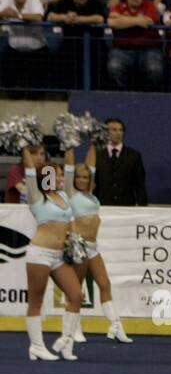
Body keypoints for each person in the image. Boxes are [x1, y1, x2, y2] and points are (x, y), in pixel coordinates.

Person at [17, 145, 82, 362]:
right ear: (46, 177)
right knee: (36, 301)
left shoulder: (64, 195)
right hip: (39, 254)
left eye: (62, 175)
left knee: (76, 296)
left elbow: (71, 166)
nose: (61, 178)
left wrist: (69, 146)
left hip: (59, 256)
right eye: (57, 175)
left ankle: (66, 341)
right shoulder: (37, 197)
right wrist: (24, 146)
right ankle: (36, 346)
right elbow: (28, 169)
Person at [64, 143, 133, 344]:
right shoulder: (70, 192)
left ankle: (115, 325)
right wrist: (68, 143)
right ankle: (74, 328)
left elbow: (91, 164)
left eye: (85, 177)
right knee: (77, 289)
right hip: (78, 246)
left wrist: (94, 141)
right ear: (73, 179)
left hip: (93, 247)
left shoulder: (92, 196)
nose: (82, 180)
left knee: (105, 284)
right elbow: (69, 164)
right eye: (79, 177)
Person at [106, 0, 164, 90]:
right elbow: (111, 22)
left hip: (149, 50)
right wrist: (138, 20)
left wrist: (121, 18)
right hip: (122, 50)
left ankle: (148, 96)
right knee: (114, 67)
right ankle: (122, 96)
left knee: (155, 69)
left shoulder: (149, 5)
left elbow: (148, 22)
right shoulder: (119, 6)